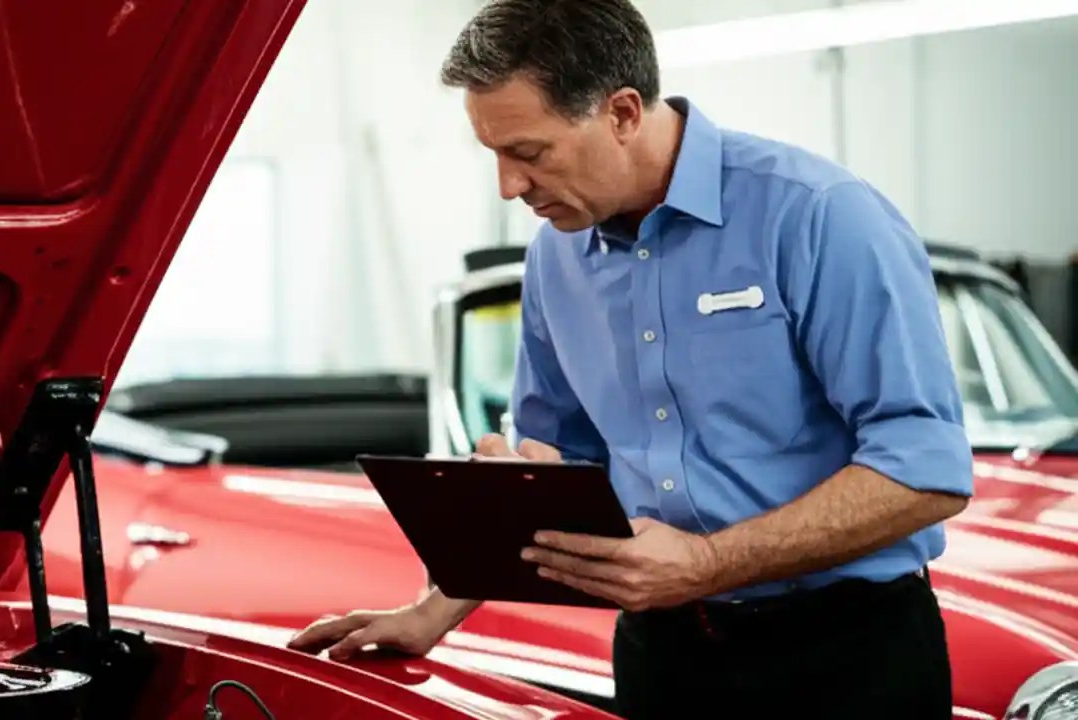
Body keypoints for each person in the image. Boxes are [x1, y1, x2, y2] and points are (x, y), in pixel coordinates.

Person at [287, 0, 974, 717]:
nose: (508, 186)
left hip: (847, 659)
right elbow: (558, 469)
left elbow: (924, 471)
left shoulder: (817, 214)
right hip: (664, 658)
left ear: (620, 113)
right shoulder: (556, 259)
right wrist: (433, 609)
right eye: (493, 154)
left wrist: (708, 563)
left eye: (528, 152)